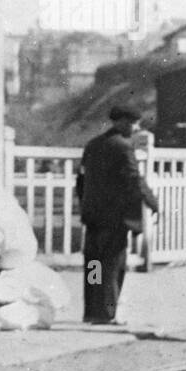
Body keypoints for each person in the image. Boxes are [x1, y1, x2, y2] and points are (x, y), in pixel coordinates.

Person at [76, 105, 159, 325]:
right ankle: (108, 313)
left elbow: (81, 180)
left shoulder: (93, 145)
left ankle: (92, 311)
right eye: (134, 123)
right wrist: (153, 203)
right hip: (115, 217)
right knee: (112, 265)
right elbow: (134, 180)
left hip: (93, 215)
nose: (136, 127)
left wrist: (85, 205)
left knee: (94, 263)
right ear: (121, 122)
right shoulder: (123, 147)